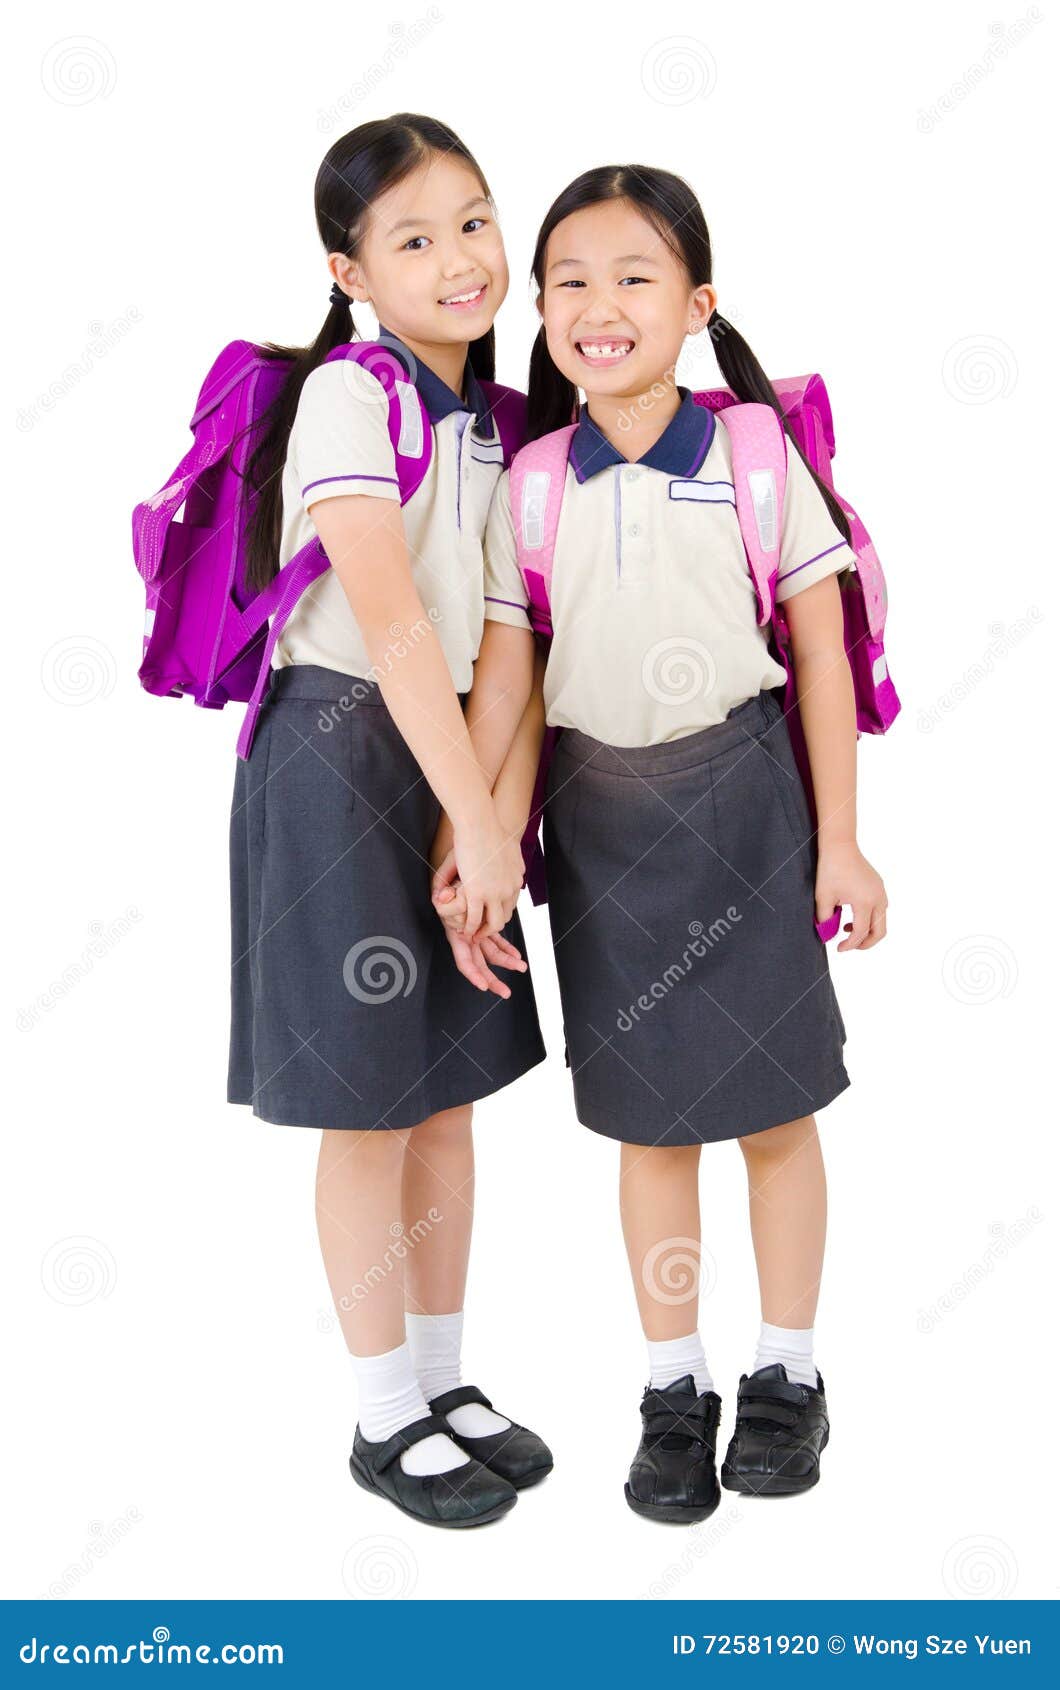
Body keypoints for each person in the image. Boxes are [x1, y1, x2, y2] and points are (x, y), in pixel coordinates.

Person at [434, 163, 888, 1522]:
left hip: (748, 808)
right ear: (540, 310)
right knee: (651, 1125)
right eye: (569, 280)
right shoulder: (531, 484)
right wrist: (481, 833)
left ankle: (788, 1372)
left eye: (635, 276)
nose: (599, 305)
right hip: (603, 828)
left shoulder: (755, 456)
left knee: (778, 1112)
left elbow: (821, 657)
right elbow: (511, 689)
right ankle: (672, 1387)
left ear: (697, 303)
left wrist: (844, 844)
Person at [228, 114, 552, 1528]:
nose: (459, 257)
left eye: (474, 221)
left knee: (445, 1092)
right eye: (413, 238)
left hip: (444, 754)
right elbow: (393, 619)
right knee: (367, 1104)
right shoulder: (351, 400)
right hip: (338, 756)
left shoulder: (496, 421)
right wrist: (475, 824)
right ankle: (380, 1416)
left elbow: (506, 640)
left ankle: (441, 1378)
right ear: (349, 273)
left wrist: (478, 821)